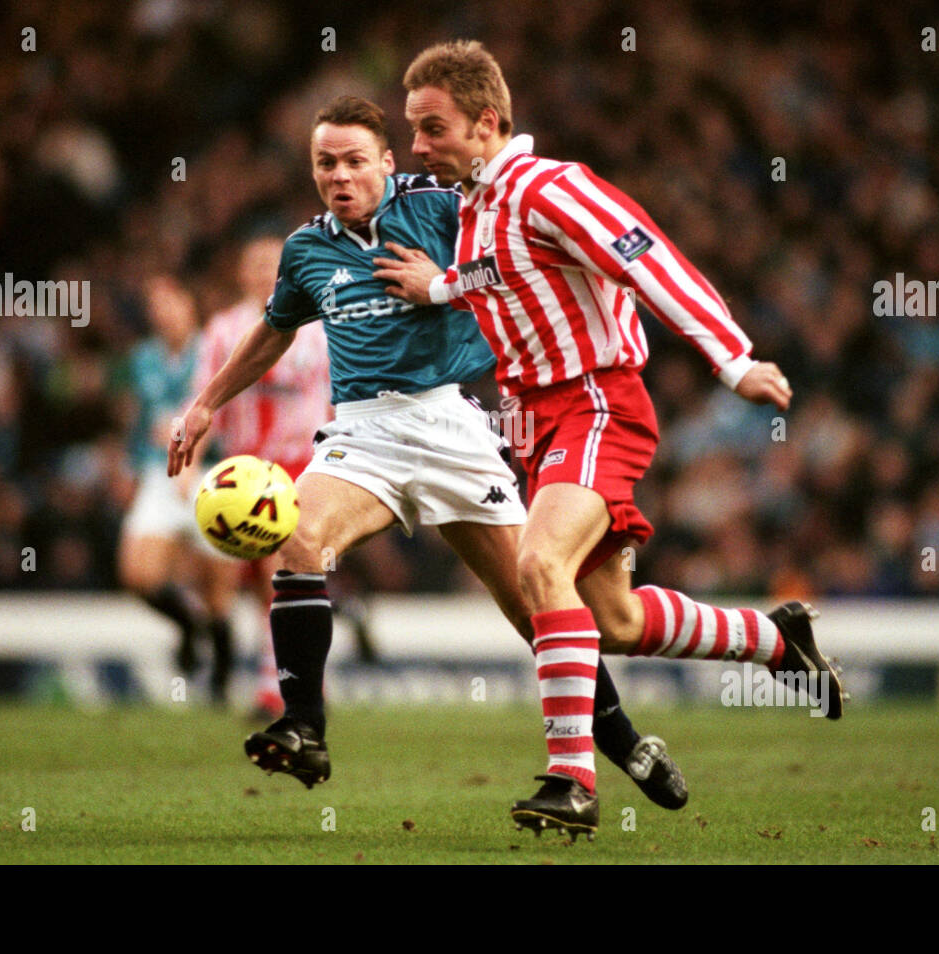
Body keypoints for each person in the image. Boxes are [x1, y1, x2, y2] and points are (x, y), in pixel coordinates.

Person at [373, 40, 844, 838]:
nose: (417, 146)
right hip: (537, 424)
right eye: (414, 129)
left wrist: (734, 359)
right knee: (614, 621)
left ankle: (572, 782)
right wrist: (440, 286)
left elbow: (646, 258)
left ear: (486, 123)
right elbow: (502, 276)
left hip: (596, 403)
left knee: (537, 563)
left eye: (432, 128)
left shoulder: (549, 186)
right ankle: (777, 641)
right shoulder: (478, 209)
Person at [168, 96, 689, 811]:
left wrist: (446, 286)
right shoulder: (306, 249)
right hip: (361, 434)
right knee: (295, 540)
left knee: (533, 603)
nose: (340, 176)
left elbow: (516, 258)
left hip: (450, 425)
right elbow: (275, 328)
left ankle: (623, 738)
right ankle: (305, 727)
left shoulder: (446, 208)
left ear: (387, 162)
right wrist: (205, 405)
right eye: (326, 163)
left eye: (355, 161)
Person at [195, 236, 332, 720]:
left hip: (300, 462)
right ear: (240, 272)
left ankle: (279, 692)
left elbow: (334, 395)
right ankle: (289, 678)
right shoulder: (222, 330)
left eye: (272, 264)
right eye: (253, 263)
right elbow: (203, 397)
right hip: (241, 470)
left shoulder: (319, 326)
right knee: (259, 587)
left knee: (284, 569)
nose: (262, 272)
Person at [120, 274, 237, 702]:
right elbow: (139, 417)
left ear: (191, 305)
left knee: (218, 591)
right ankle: (189, 622)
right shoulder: (144, 358)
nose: (162, 313)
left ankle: (221, 683)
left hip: (210, 471)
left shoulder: (214, 348)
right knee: (137, 573)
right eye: (155, 305)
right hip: (160, 472)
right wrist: (131, 468)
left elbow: (223, 406)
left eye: (171, 302)